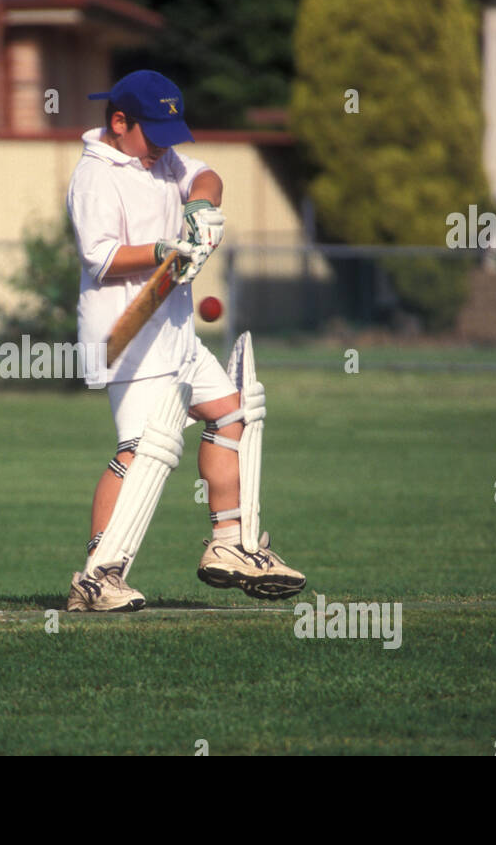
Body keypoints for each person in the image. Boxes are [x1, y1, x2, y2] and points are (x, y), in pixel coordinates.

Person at [64, 70, 305, 612]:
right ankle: (98, 576)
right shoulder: (94, 177)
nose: (164, 148)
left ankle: (229, 546)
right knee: (143, 448)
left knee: (233, 414)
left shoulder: (163, 158)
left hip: (175, 328)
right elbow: (99, 258)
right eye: (153, 134)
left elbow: (208, 175)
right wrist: (165, 250)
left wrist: (202, 209)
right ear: (119, 121)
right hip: (125, 332)